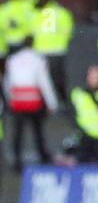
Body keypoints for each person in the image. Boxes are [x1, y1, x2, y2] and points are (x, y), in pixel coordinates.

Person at [3, 35, 58, 169]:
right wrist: (52, 103)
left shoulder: (13, 59)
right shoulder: (38, 59)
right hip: (33, 100)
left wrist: (10, 99)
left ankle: (17, 160)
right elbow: (44, 83)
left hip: (18, 99)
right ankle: (43, 158)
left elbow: (8, 82)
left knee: (18, 132)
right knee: (38, 131)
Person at [31, 0, 74, 101]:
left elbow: (37, 32)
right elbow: (68, 32)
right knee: (58, 80)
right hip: (57, 51)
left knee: (45, 80)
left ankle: (52, 103)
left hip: (43, 51)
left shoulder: (43, 13)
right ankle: (62, 102)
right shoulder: (60, 12)